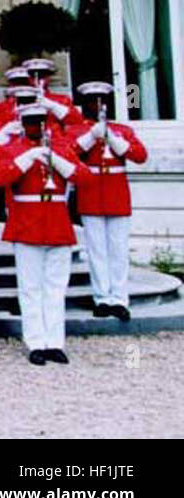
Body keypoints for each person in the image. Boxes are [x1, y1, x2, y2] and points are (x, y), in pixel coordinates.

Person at [0, 103, 90, 366]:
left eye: (41, 122)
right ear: (23, 124)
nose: (37, 127)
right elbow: (0, 179)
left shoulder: (60, 147)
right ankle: (35, 341)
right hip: (27, 222)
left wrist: (53, 158)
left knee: (56, 287)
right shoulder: (13, 149)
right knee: (30, 287)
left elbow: (84, 177)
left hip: (57, 221)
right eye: (32, 123)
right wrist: (29, 158)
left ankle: (54, 341)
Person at [69, 82, 148, 321]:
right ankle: (102, 297)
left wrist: (113, 139)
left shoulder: (122, 129)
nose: (98, 106)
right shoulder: (77, 130)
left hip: (116, 194)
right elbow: (71, 152)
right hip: (91, 192)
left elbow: (140, 156)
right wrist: (92, 137)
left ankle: (120, 298)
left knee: (118, 249)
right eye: (93, 101)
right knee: (97, 250)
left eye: (102, 101)